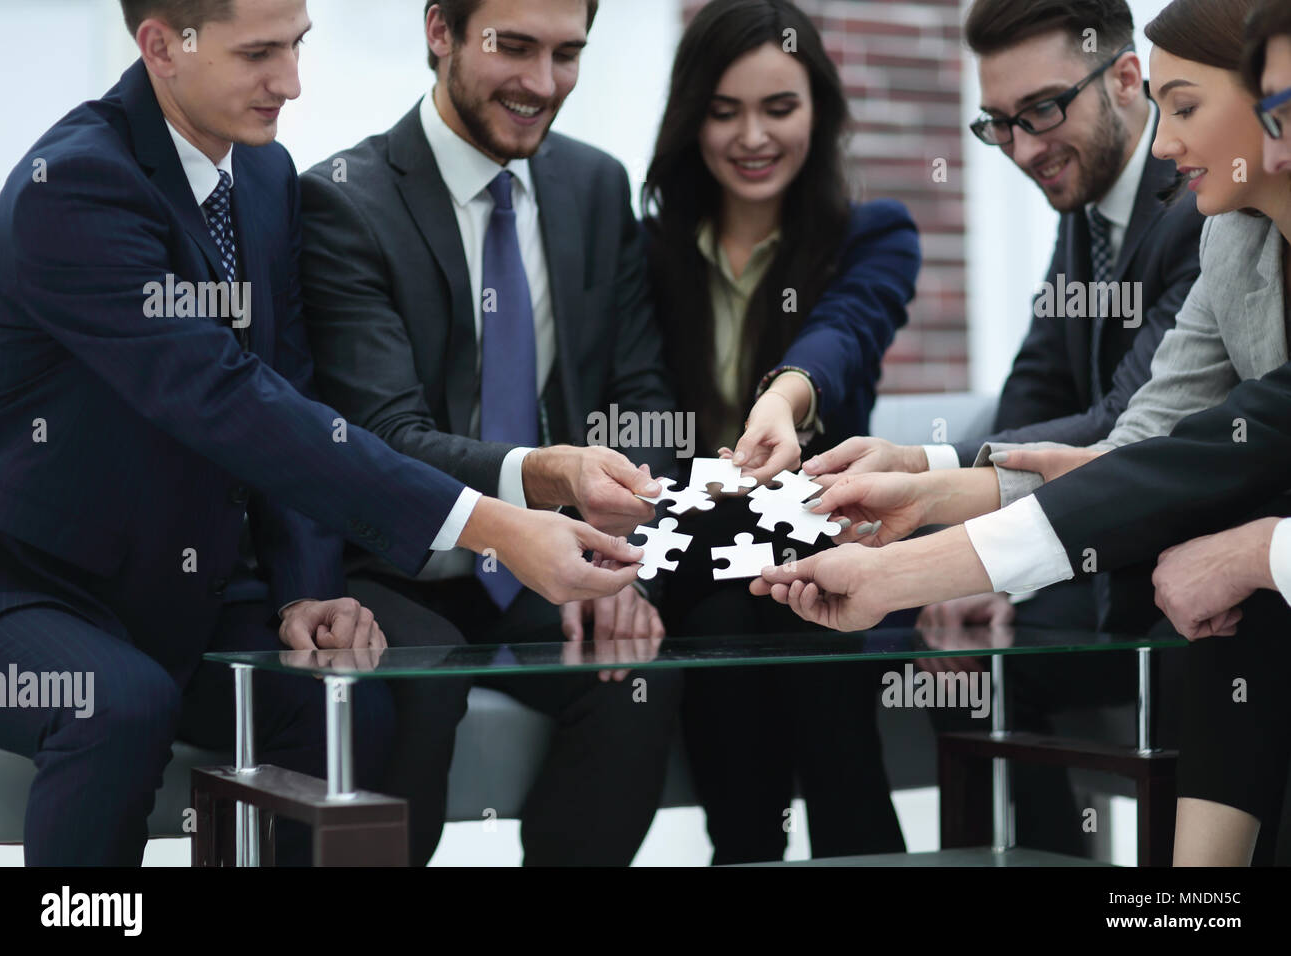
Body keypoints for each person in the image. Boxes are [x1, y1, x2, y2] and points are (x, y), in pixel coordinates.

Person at [0, 0, 642, 867]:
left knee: (351, 703)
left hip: (186, 588)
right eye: (259, 54)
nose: (291, 84)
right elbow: (229, 403)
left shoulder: (262, 177)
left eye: (298, 46)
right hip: (30, 583)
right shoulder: (75, 189)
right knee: (120, 705)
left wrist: (304, 591)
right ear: (160, 47)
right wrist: (497, 525)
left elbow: (291, 393)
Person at [754, 0, 1291, 865]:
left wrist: (1255, 550)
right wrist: (930, 487)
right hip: (1215, 583)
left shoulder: (1196, 214)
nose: (1162, 140)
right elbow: (1149, 442)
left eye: (1183, 108)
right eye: (999, 124)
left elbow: (1185, 450)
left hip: (1212, 583)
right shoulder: (1228, 234)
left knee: (1224, 619)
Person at [299, 0, 682, 866]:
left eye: (567, 55)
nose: (543, 84)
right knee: (416, 689)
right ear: (440, 32)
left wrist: (623, 550)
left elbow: (638, 395)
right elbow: (384, 436)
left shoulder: (593, 186)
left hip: (553, 554)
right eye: (513, 47)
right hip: (400, 559)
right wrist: (554, 478)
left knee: (638, 678)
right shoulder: (342, 201)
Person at [642, 0, 920, 864]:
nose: (751, 136)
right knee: (749, 610)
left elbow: (843, 329)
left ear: (820, 112)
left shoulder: (872, 235)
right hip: (685, 547)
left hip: (823, 542)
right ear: (691, 118)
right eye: (724, 111)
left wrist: (785, 397)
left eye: (779, 108)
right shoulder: (644, 250)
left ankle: (755, 851)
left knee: (778, 609)